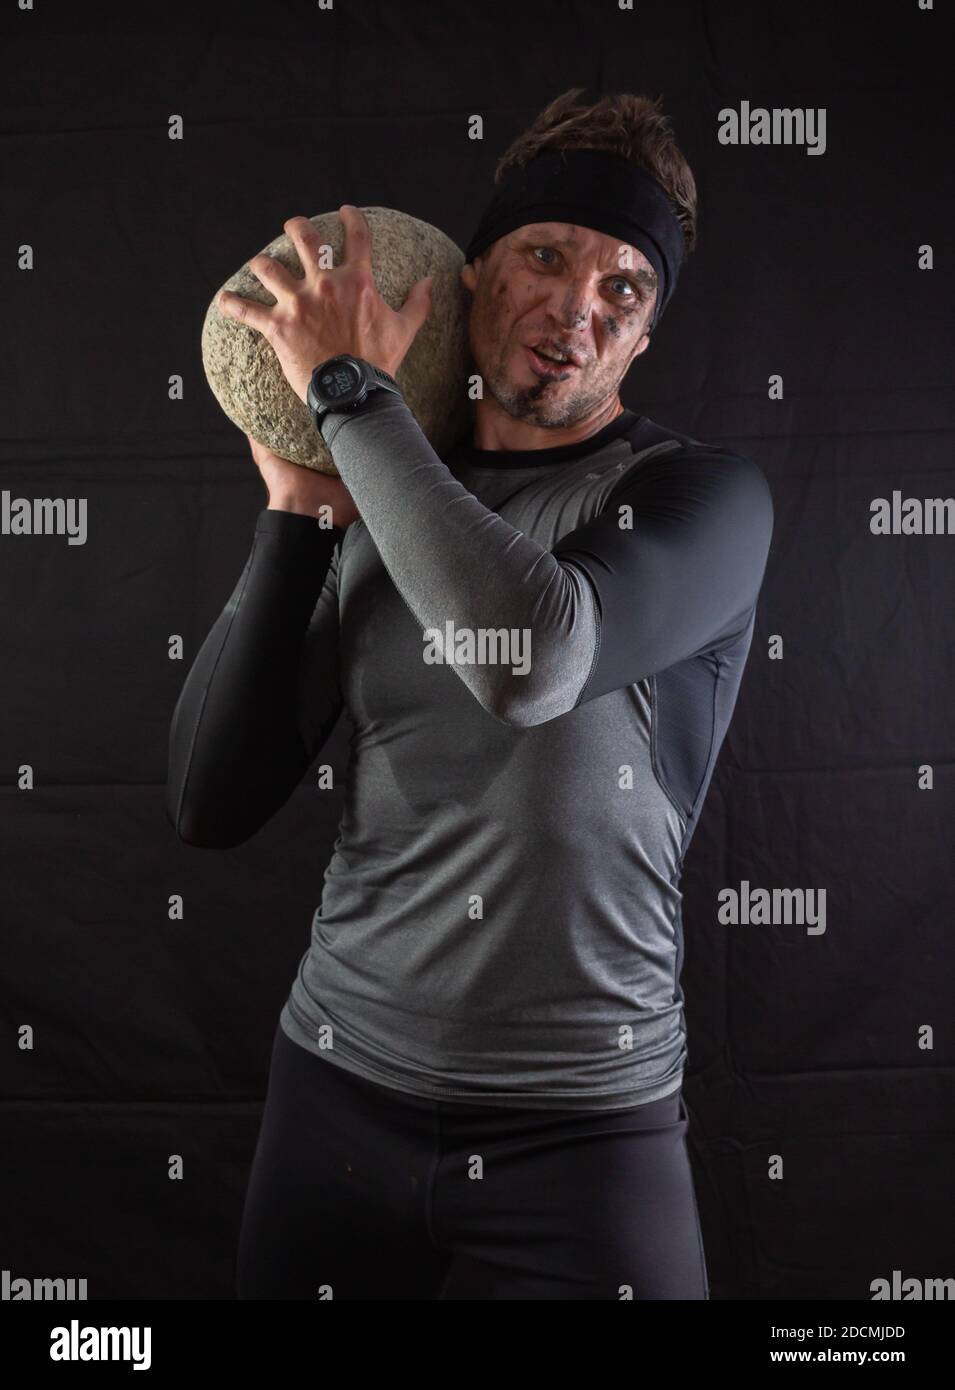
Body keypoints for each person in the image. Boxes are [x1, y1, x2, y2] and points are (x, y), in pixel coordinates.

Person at [167, 86, 774, 1300]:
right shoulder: (384, 482)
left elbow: (528, 660)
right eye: (545, 258)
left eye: (623, 291)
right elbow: (210, 798)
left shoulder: (703, 500)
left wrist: (349, 397)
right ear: (468, 273)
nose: (576, 311)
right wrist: (298, 514)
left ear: (643, 338)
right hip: (338, 1087)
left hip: (582, 1130)